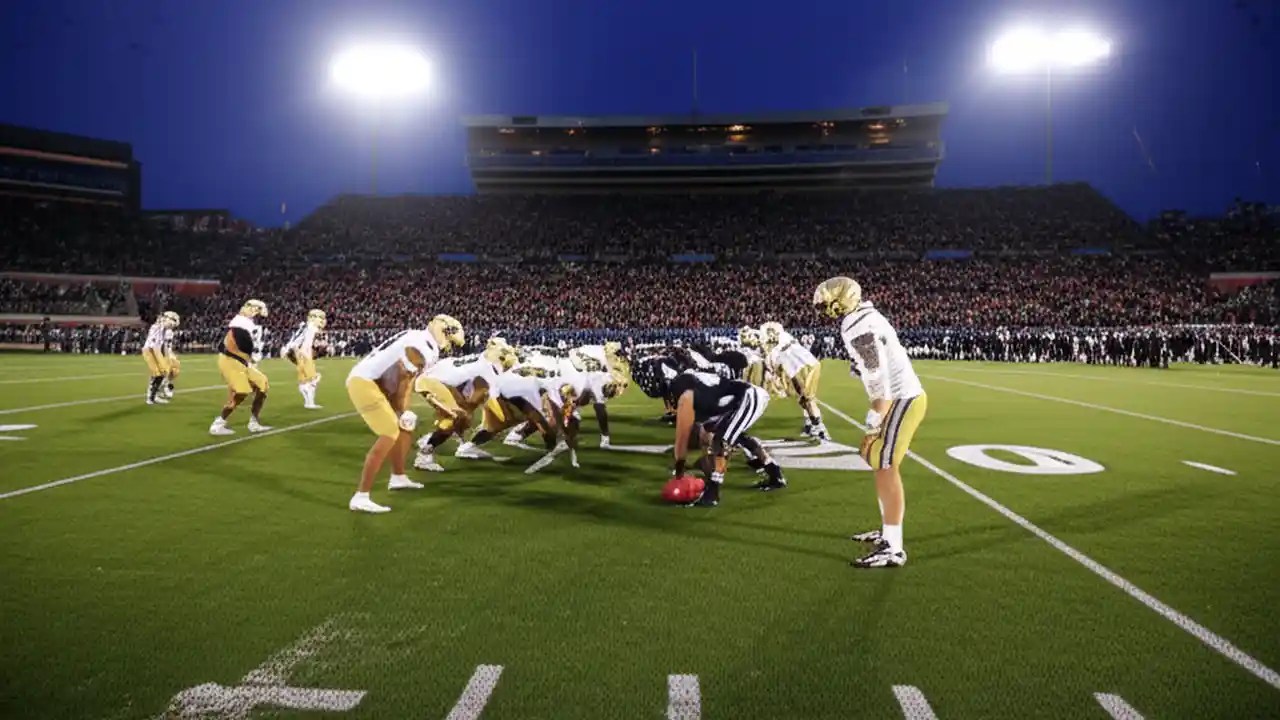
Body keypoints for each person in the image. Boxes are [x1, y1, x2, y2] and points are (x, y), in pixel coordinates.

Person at [814, 276, 927, 569]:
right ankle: (888, 531)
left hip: (901, 399)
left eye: (830, 303)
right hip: (898, 398)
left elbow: (880, 384)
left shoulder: (859, 326)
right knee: (876, 461)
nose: (828, 310)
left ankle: (894, 548)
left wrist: (872, 425)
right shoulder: (864, 317)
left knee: (884, 463)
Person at [346, 315, 465, 513]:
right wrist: (400, 408)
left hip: (377, 382)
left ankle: (398, 477)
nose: (449, 344)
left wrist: (402, 411)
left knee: (405, 425)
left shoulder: (419, 337)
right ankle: (361, 496)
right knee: (390, 431)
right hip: (365, 381)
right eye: (449, 339)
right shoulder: (424, 345)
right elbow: (402, 376)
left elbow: (402, 378)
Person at [668, 369, 785, 507]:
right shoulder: (700, 388)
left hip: (748, 397)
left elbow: (682, 438)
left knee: (722, 440)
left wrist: (679, 472)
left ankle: (712, 492)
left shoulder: (688, 396)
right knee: (736, 437)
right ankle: (774, 472)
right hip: (745, 398)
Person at [413, 339, 518, 472]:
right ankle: (424, 455)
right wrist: (502, 420)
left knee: (463, 415)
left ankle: (433, 439)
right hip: (432, 381)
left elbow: (473, 395)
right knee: (455, 417)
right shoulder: (489, 369)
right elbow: (488, 400)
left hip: (438, 378)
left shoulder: (482, 359)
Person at [209, 300, 271, 435]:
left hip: (243, 362)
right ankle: (218, 424)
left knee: (262, 383)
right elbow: (243, 341)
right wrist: (254, 354)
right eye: (252, 308)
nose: (252, 310)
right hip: (230, 359)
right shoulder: (240, 321)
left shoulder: (250, 324)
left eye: (255, 309)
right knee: (241, 391)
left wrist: (253, 358)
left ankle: (254, 422)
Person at [759, 321, 829, 440]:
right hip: (799, 367)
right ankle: (811, 425)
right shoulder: (783, 341)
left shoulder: (781, 343)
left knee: (807, 398)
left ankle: (821, 430)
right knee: (803, 399)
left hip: (803, 366)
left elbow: (773, 364)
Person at [283, 309, 326, 409]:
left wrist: (288, 349)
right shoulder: (311, 327)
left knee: (304, 380)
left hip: (298, 354)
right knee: (314, 378)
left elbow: (296, 339)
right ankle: (310, 403)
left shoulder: (304, 326)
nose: (322, 321)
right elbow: (303, 341)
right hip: (303, 354)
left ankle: (308, 402)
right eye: (320, 318)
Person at [141, 311, 178, 405]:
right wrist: (170, 319)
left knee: (161, 373)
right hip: (150, 349)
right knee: (159, 373)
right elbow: (164, 323)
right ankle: (152, 397)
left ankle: (153, 396)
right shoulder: (159, 325)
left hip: (155, 350)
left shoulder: (164, 329)